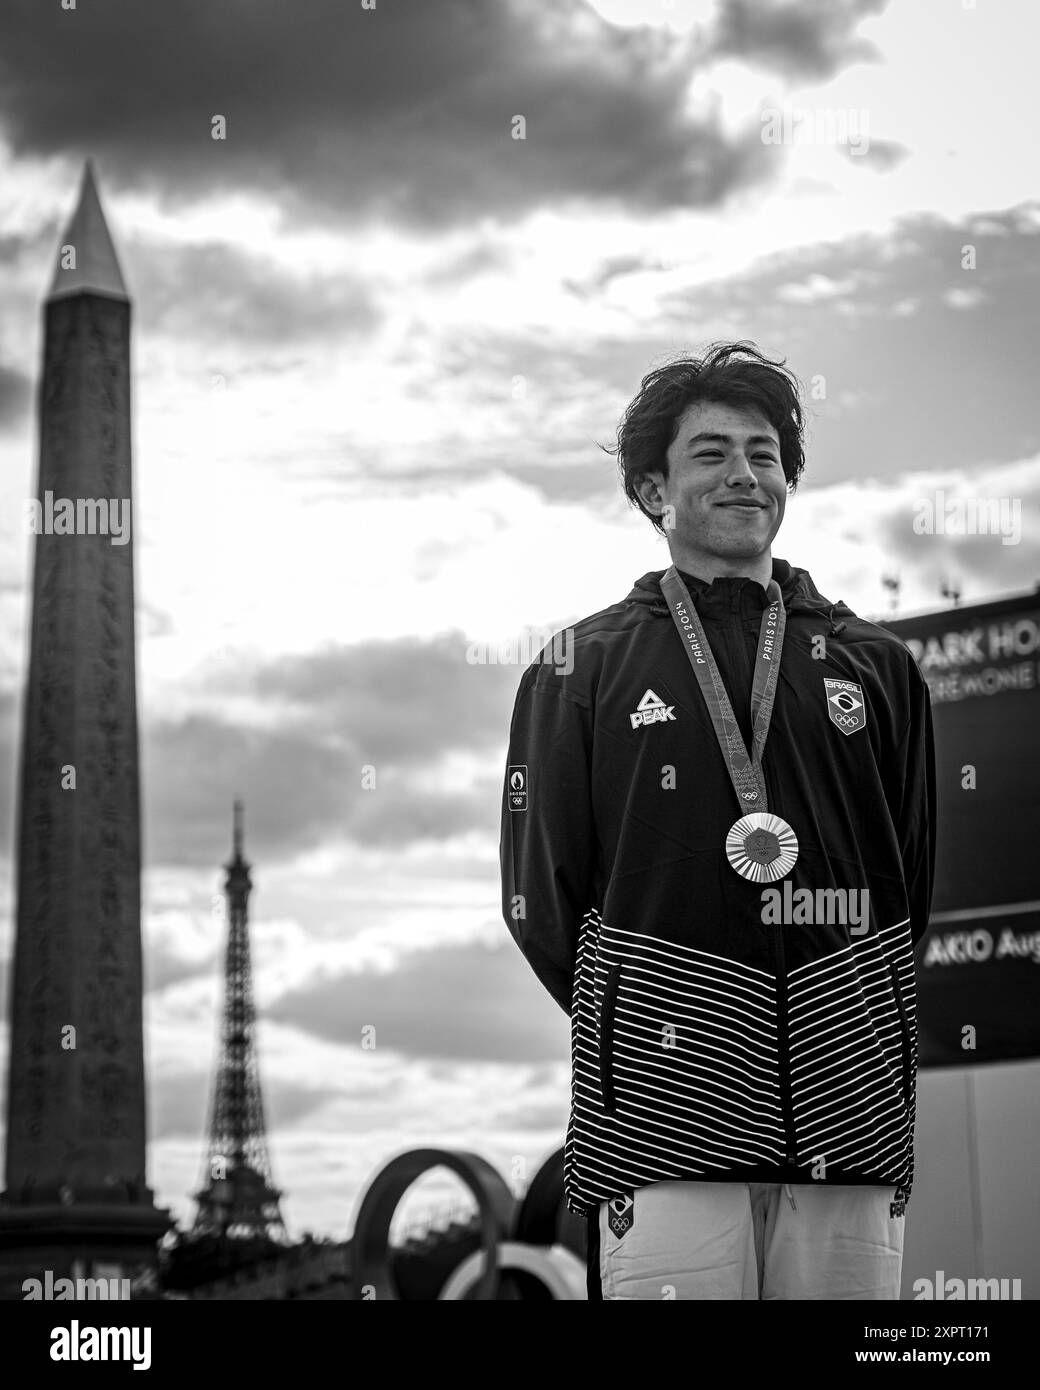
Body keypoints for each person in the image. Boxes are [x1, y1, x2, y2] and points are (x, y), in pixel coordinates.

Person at [499, 342, 936, 1300]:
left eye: (764, 453)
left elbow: (911, 888)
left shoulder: (878, 665)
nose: (744, 473)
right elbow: (542, 901)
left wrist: (851, 1017)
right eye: (710, 454)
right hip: (664, 1118)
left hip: (849, 1104)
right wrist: (665, 1024)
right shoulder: (580, 667)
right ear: (653, 491)